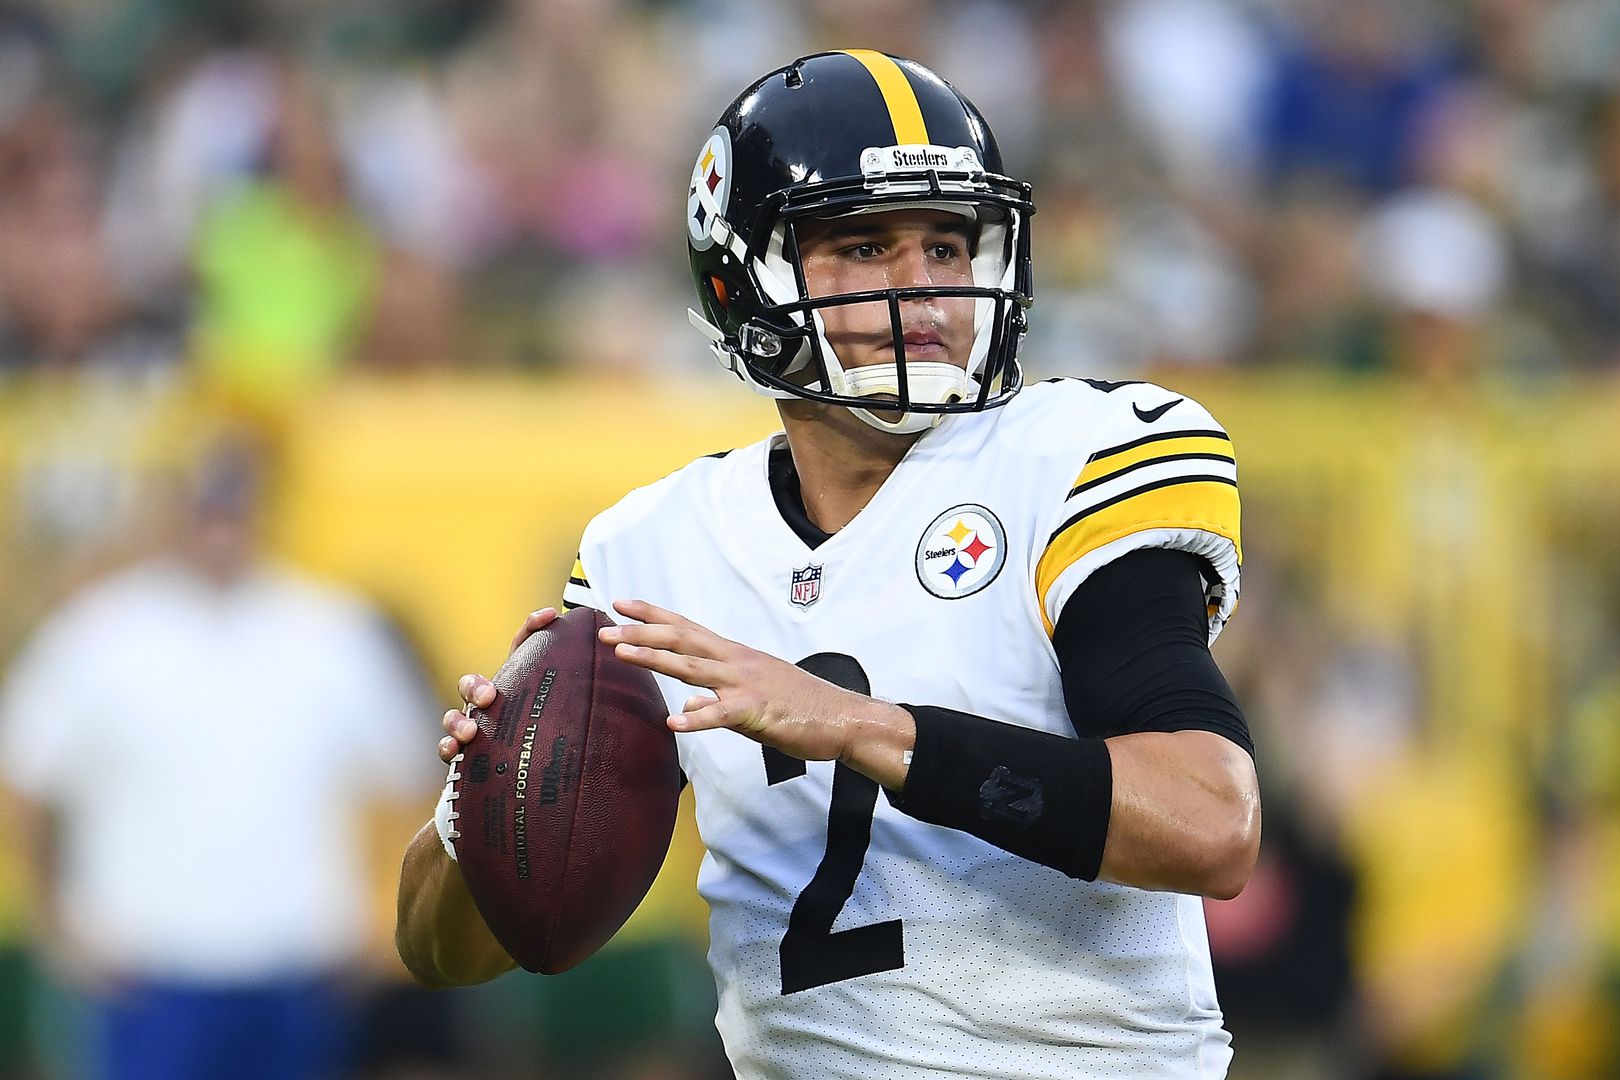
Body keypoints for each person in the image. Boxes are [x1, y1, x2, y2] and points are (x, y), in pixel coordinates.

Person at [397, 50, 1259, 1078]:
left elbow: (1212, 823)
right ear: (744, 279)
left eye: (947, 244)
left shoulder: (1074, 460)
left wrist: (858, 725)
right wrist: (485, 805)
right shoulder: (655, 546)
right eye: (865, 246)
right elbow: (441, 953)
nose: (924, 287)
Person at [0, 430, 433, 1080]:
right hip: (148, 974)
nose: (222, 529)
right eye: (208, 508)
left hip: (300, 970)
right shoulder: (103, 633)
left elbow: (414, 781)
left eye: (235, 508)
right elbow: (24, 777)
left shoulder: (331, 631)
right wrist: (57, 922)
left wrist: (383, 926)